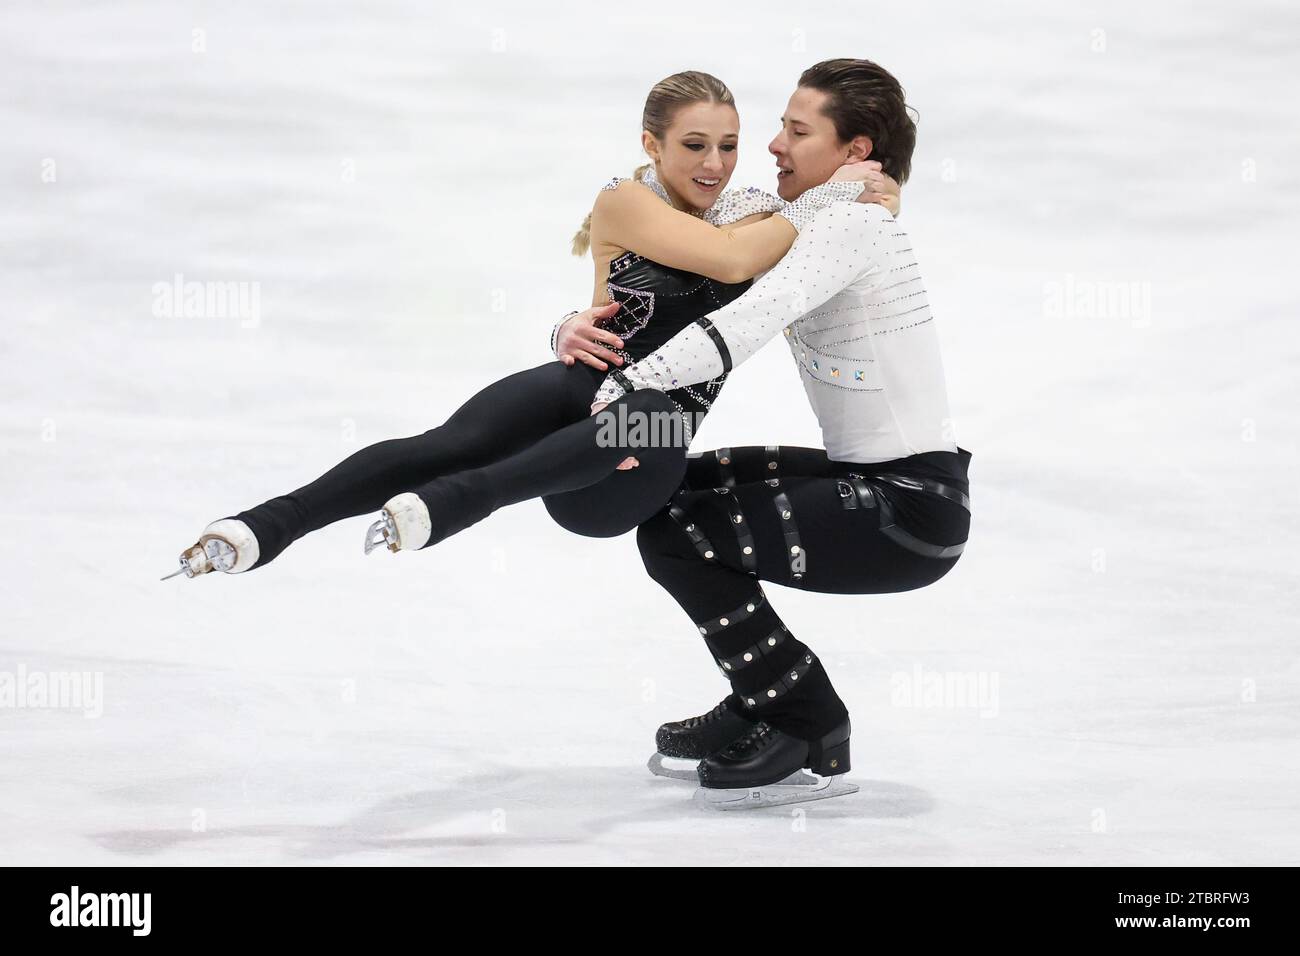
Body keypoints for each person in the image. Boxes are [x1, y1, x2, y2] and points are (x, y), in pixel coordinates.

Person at [163, 71, 897, 581]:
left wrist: (840, 202)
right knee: (453, 441)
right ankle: (263, 527)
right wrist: (823, 199)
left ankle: (454, 504)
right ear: (652, 145)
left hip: (637, 465)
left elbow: (775, 250)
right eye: (694, 144)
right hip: (576, 421)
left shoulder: (751, 214)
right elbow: (733, 263)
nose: (715, 163)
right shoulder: (625, 201)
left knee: (648, 416)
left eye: (729, 145)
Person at [568, 58, 974, 809]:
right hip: (880, 484)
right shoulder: (819, 213)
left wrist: (628, 388)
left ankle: (804, 718)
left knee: (678, 529)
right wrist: (569, 325)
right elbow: (685, 243)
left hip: (910, 509)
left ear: (852, 154)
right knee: (669, 500)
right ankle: (763, 695)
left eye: (796, 131)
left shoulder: (850, 224)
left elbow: (745, 321)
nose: (772, 148)